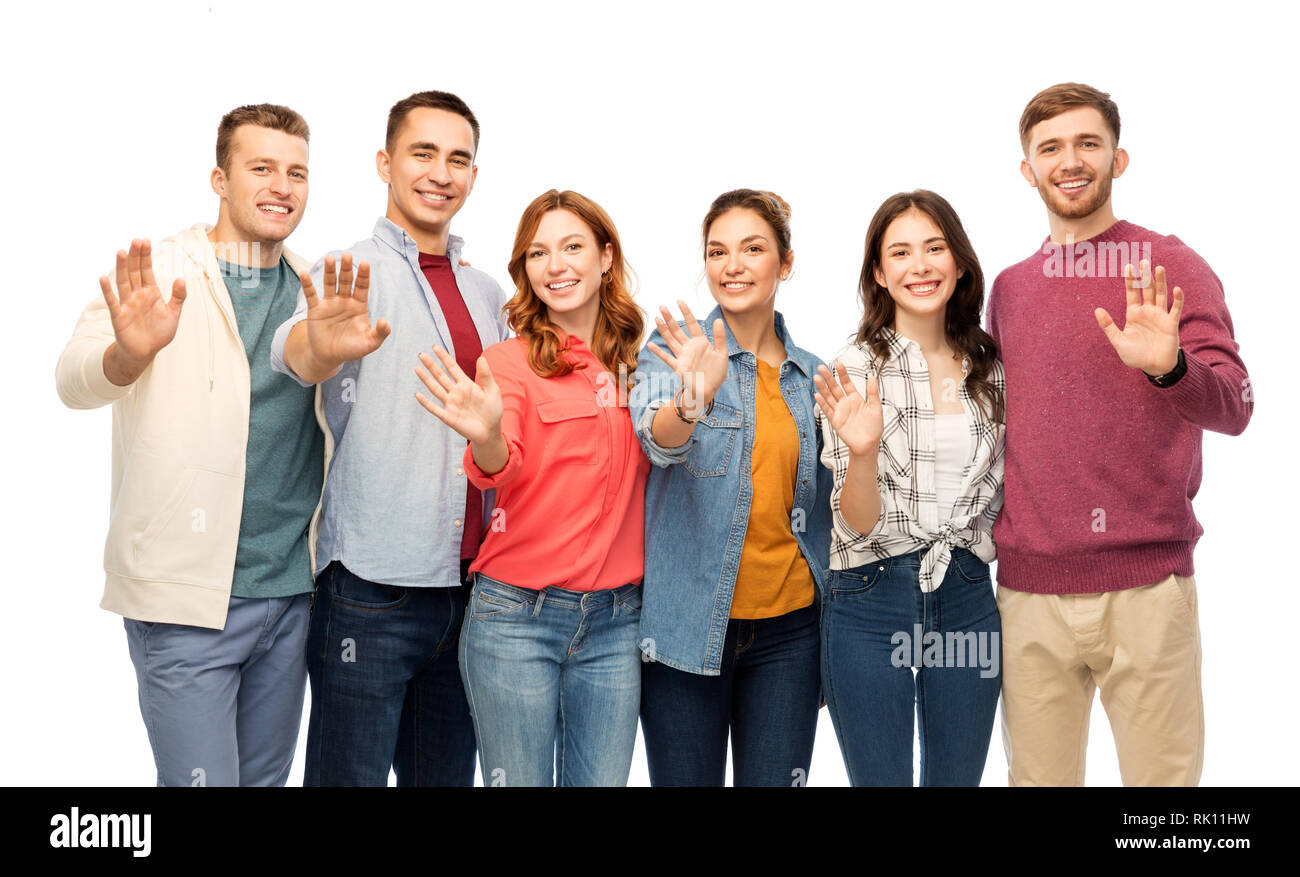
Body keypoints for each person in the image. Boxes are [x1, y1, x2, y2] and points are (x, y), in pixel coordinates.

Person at [988, 82, 1253, 786]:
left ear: (1118, 158)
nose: (1069, 161)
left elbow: (1235, 404)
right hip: (1029, 592)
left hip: (1147, 588)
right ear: (1027, 169)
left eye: (1086, 144)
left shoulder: (1171, 265)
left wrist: (1170, 368)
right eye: (1050, 148)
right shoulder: (1009, 288)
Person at [55, 104, 323, 786]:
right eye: (260, 168)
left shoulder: (314, 288)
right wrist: (126, 355)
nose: (280, 186)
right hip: (186, 605)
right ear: (220, 178)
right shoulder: (163, 270)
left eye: (296, 172)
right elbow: (72, 380)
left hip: (290, 597)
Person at [270, 90, 510, 787]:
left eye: (458, 158)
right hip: (371, 592)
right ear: (385, 162)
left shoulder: (488, 291)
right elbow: (294, 352)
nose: (441, 172)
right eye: (423, 153)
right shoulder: (348, 270)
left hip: (469, 591)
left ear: (473, 174)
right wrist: (320, 345)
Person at [415, 189, 647, 786]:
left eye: (572, 246)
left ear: (605, 256)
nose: (557, 265)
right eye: (538, 254)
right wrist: (486, 434)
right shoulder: (509, 361)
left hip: (616, 624)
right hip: (515, 618)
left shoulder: (641, 368)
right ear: (525, 270)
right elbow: (500, 464)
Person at [630, 189, 830, 786]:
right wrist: (695, 394)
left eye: (752, 249)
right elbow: (659, 444)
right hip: (687, 626)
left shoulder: (813, 375)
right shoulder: (671, 351)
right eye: (717, 251)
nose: (732, 265)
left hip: (790, 631)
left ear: (784, 264)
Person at [815, 190, 1005, 786]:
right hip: (871, 599)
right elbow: (857, 524)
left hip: (968, 597)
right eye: (900, 252)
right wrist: (863, 452)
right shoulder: (852, 368)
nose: (919, 266)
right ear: (879, 271)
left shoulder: (992, 367)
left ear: (960, 262)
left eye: (934, 248)